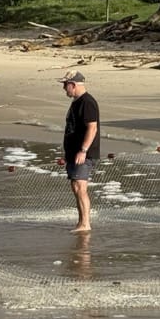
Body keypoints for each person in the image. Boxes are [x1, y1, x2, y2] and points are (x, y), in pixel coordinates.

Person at [60, 70, 100, 233]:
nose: (64, 88)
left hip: (84, 153)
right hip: (74, 153)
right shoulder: (76, 102)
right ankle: (81, 222)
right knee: (75, 187)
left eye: (65, 85)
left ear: (73, 84)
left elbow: (92, 128)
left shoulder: (87, 102)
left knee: (80, 186)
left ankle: (85, 224)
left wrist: (83, 150)